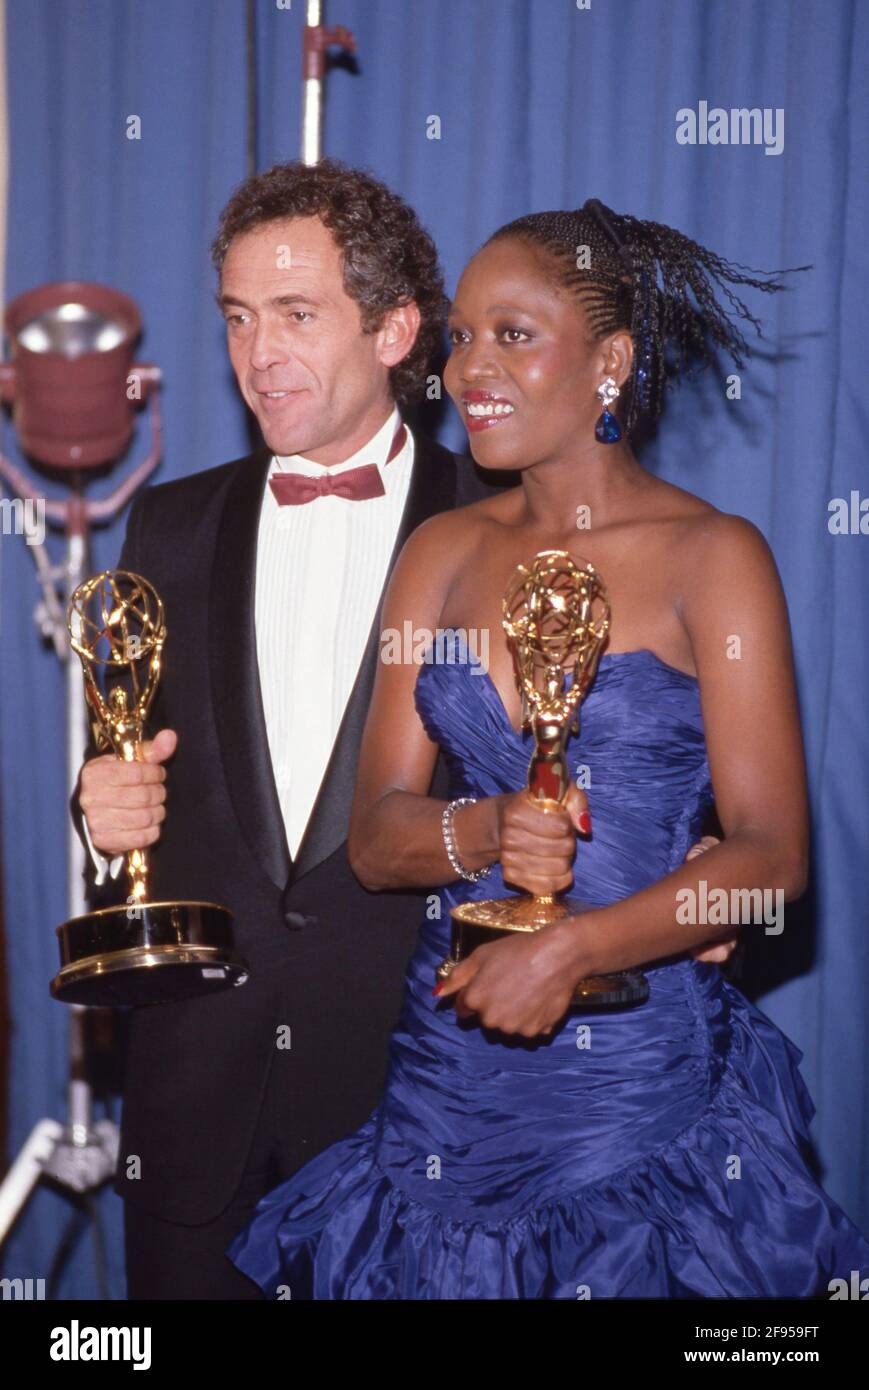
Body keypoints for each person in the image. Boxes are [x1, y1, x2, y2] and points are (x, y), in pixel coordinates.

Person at [226, 199, 869, 1299]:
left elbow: (768, 860)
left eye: (513, 335)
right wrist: (478, 828)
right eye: (463, 335)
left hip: (634, 1095)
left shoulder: (711, 557)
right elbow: (378, 838)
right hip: (445, 1079)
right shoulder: (439, 553)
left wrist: (572, 950)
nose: (472, 365)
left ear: (608, 361)